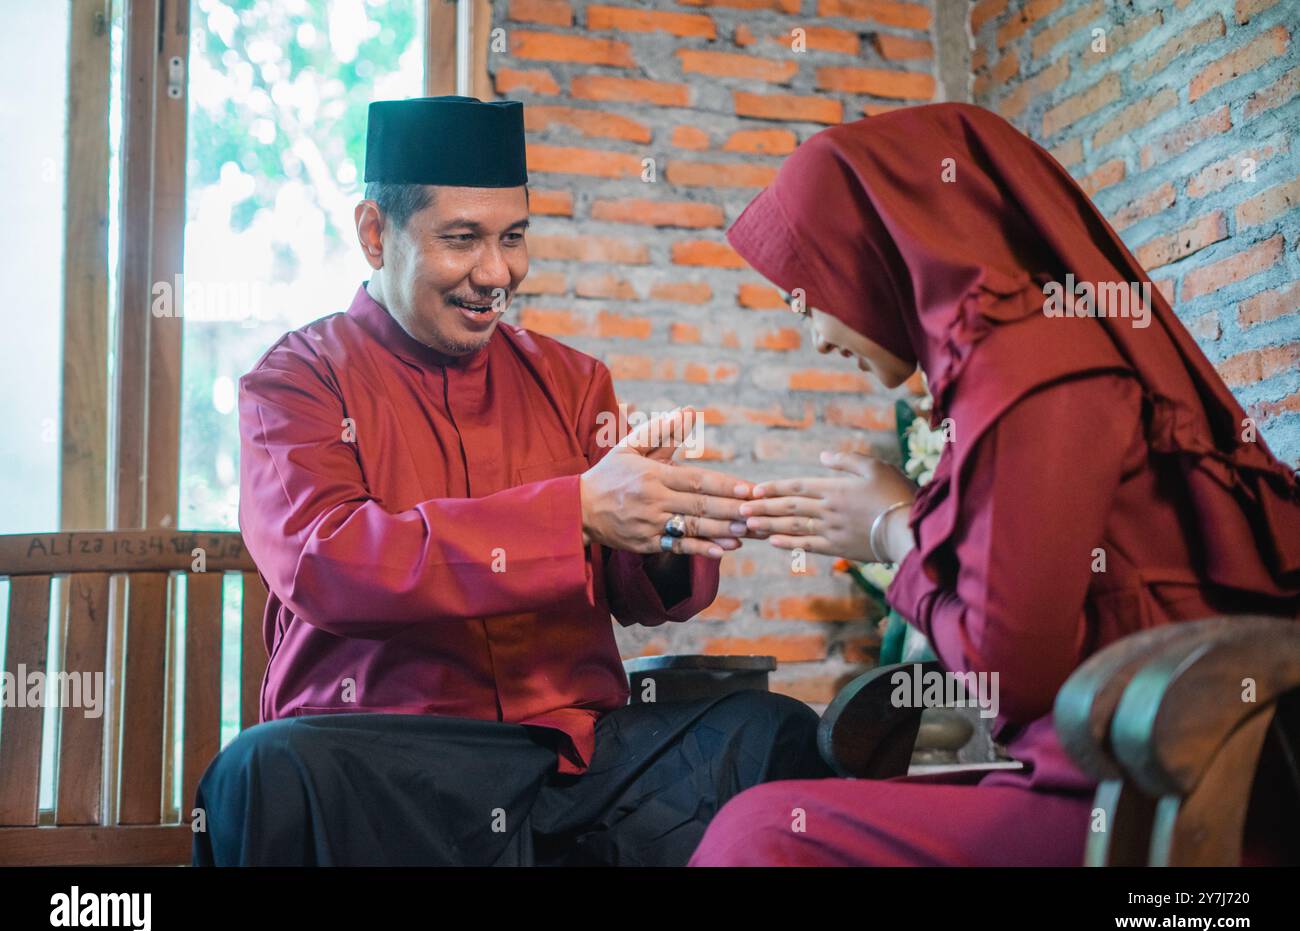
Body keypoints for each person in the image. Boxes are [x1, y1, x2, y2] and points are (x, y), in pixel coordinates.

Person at [193, 96, 832, 867]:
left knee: (769, 734)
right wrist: (576, 513)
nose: (496, 274)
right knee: (265, 771)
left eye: (514, 238)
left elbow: (634, 590)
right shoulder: (297, 382)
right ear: (374, 233)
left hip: (568, 760)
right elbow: (324, 563)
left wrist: (670, 529)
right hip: (386, 761)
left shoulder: (571, 380)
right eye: (462, 239)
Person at [688, 102, 1300, 866]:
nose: (816, 334)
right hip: (1082, 756)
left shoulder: (1032, 365)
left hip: (1150, 787)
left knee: (763, 833)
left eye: (805, 297)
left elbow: (1008, 677)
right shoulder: (1014, 358)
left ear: (872, 249)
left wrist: (892, 535)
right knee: (785, 776)